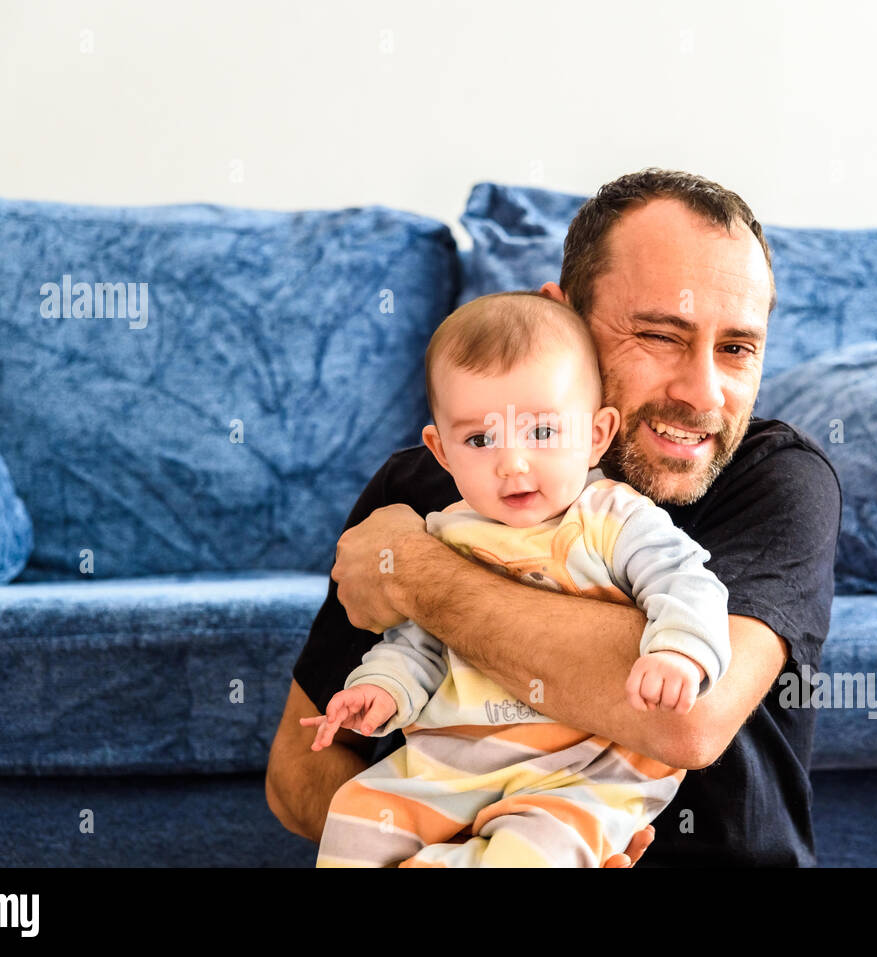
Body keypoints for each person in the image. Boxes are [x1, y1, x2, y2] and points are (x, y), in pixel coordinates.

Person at [267, 167, 843, 867]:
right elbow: (297, 773)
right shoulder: (428, 485)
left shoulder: (778, 478)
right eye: (661, 335)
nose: (703, 393)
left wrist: (419, 574)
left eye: (736, 348)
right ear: (564, 316)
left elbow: (688, 720)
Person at [304, 291, 731, 867]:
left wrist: (679, 652)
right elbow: (419, 644)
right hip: (451, 767)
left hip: (581, 772)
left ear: (597, 434)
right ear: (442, 451)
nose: (513, 463)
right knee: (356, 819)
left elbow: (688, 582)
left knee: (530, 852)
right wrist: (381, 689)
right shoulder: (447, 534)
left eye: (543, 432)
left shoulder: (613, 518)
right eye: (480, 440)